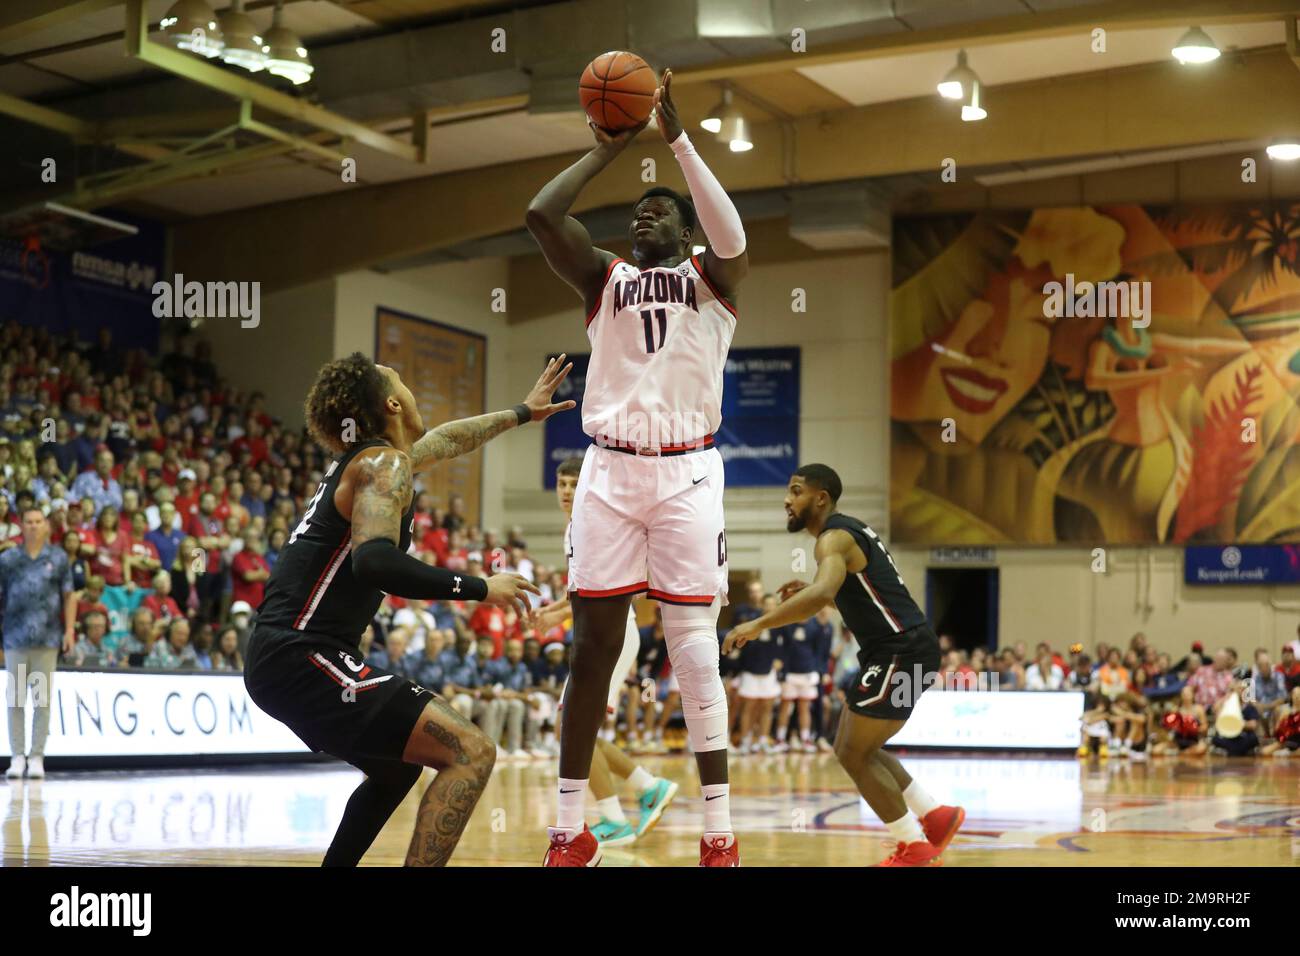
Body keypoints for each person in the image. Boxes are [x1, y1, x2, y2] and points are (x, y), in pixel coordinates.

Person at [528, 68, 748, 868]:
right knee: (592, 651)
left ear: (684, 233)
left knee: (694, 652)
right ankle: (567, 828)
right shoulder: (605, 278)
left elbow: (733, 238)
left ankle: (718, 833)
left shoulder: (713, 280)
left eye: (659, 209)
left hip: (689, 474)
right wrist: (609, 148)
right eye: (635, 209)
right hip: (610, 473)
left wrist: (679, 142)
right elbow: (541, 213)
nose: (641, 212)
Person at [242, 352, 564, 867]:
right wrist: (480, 587)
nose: (411, 390)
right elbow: (374, 563)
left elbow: (451, 439)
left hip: (285, 657)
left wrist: (523, 412)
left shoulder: (376, 461)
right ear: (393, 402)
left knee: (397, 768)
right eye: (402, 383)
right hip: (301, 654)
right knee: (471, 751)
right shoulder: (383, 465)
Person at [724, 464, 964, 867]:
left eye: (796, 491)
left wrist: (759, 622)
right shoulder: (850, 532)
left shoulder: (833, 538)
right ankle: (934, 816)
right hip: (899, 649)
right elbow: (860, 597)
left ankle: (915, 846)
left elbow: (821, 594)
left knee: (856, 754)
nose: (787, 499)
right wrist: (817, 593)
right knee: (853, 747)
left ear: (820, 498)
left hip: (899, 652)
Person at [531, 457, 678, 846]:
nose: (565, 491)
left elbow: (611, 588)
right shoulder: (578, 523)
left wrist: (557, 613)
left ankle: (613, 819)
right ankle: (649, 787)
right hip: (602, 630)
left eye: (572, 483)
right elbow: (585, 590)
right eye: (560, 483)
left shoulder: (593, 521)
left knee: (571, 726)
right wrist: (557, 612)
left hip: (609, 632)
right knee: (581, 727)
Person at [1, 508, 77, 779]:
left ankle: (36, 756)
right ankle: (17, 756)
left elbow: (69, 596)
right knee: (16, 700)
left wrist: (69, 629)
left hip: (47, 640)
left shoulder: (57, 558)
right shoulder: (8, 559)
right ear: (21, 526)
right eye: (28, 522)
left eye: (38, 522)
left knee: (41, 700)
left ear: (46, 526)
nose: (33, 526)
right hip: (15, 639)